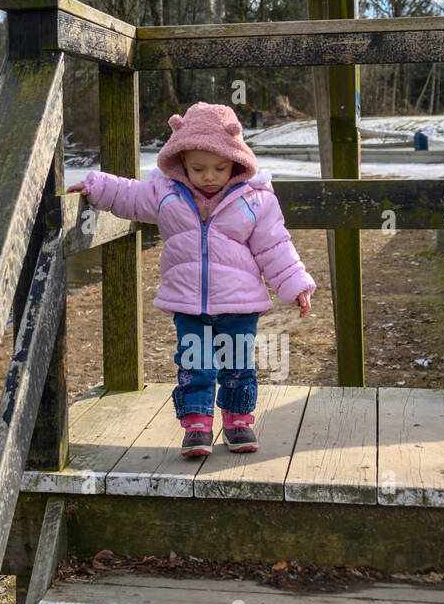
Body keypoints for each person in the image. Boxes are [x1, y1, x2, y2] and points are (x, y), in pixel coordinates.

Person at [68, 101, 315, 459]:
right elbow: (129, 196)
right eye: (199, 168)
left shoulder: (256, 199)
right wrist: (95, 187)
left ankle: (237, 422)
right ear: (182, 160)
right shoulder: (165, 192)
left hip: (238, 303)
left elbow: (275, 247)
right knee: (194, 363)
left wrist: (296, 287)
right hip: (187, 302)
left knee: (236, 364)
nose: (210, 176)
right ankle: (197, 426)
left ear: (236, 160)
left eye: (219, 167)